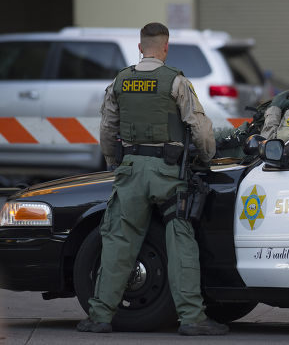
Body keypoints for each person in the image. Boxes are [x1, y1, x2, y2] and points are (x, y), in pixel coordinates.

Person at [77, 22, 228, 336]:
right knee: (180, 241)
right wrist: (207, 156)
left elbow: (107, 129)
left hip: (131, 170)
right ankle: (192, 319)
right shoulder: (176, 82)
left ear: (139, 47)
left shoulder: (121, 81)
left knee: (118, 241)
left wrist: (114, 163)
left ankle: (100, 317)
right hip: (168, 173)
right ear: (166, 47)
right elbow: (199, 128)